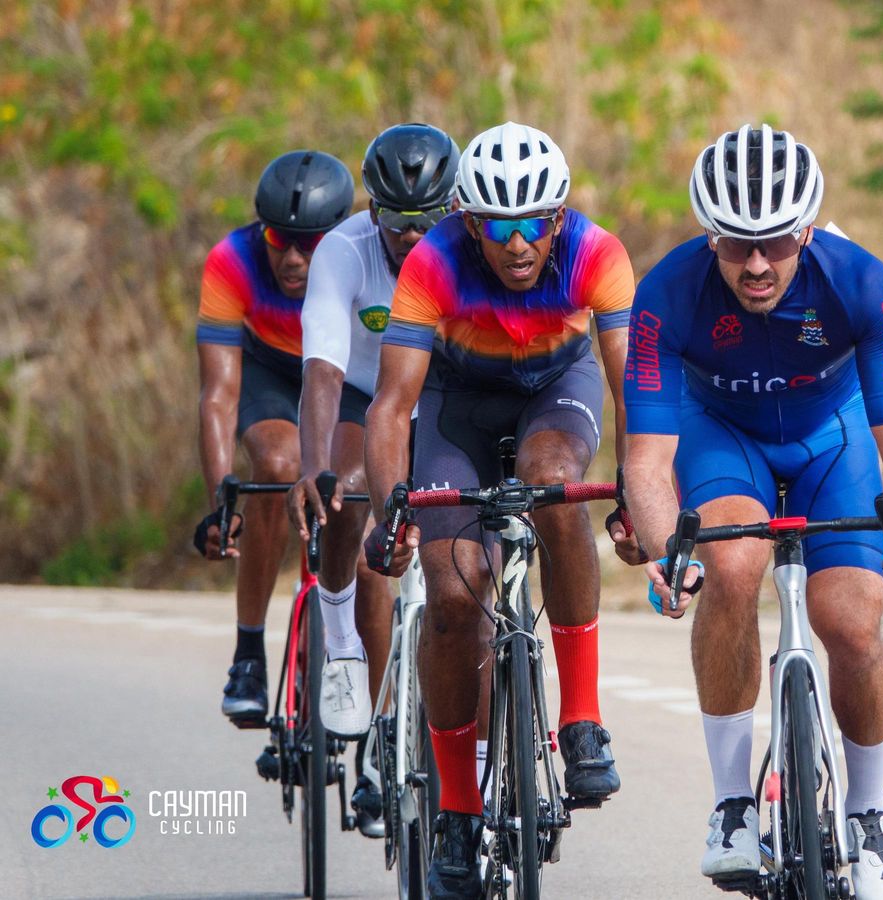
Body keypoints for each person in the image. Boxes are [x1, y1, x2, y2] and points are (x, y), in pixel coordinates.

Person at [619, 125, 883, 900]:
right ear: (710, 235)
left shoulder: (861, 282)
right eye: (735, 245)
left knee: (852, 624)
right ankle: (733, 804)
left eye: (774, 243)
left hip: (836, 440)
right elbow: (647, 461)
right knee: (730, 563)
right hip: (724, 438)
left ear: (805, 228)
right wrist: (671, 553)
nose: (757, 263)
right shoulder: (665, 293)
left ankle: (869, 814)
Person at [363, 121, 637, 900]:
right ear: (468, 220)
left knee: (554, 481)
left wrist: (641, 496)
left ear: (558, 219)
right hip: (458, 406)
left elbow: (634, 393)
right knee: (453, 595)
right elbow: (391, 409)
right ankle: (455, 805)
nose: (518, 244)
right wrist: (393, 512)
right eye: (498, 227)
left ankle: (580, 719)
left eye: (534, 225)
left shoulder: (596, 254)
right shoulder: (434, 259)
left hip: (559, 391)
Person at [285, 123, 461, 836]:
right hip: (362, 394)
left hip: (444, 398)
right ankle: (343, 648)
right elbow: (323, 371)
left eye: (428, 223)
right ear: (373, 212)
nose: (413, 239)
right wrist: (312, 464)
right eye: (396, 222)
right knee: (346, 490)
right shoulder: (343, 251)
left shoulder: (468, 250)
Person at [194, 150, 355, 728]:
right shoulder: (233, 261)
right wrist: (221, 504)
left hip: (343, 376)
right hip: (273, 373)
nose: (290, 258)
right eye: (277, 239)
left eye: (308, 245)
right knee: (278, 461)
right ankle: (248, 656)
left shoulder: (363, 255)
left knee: (360, 479)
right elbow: (218, 394)